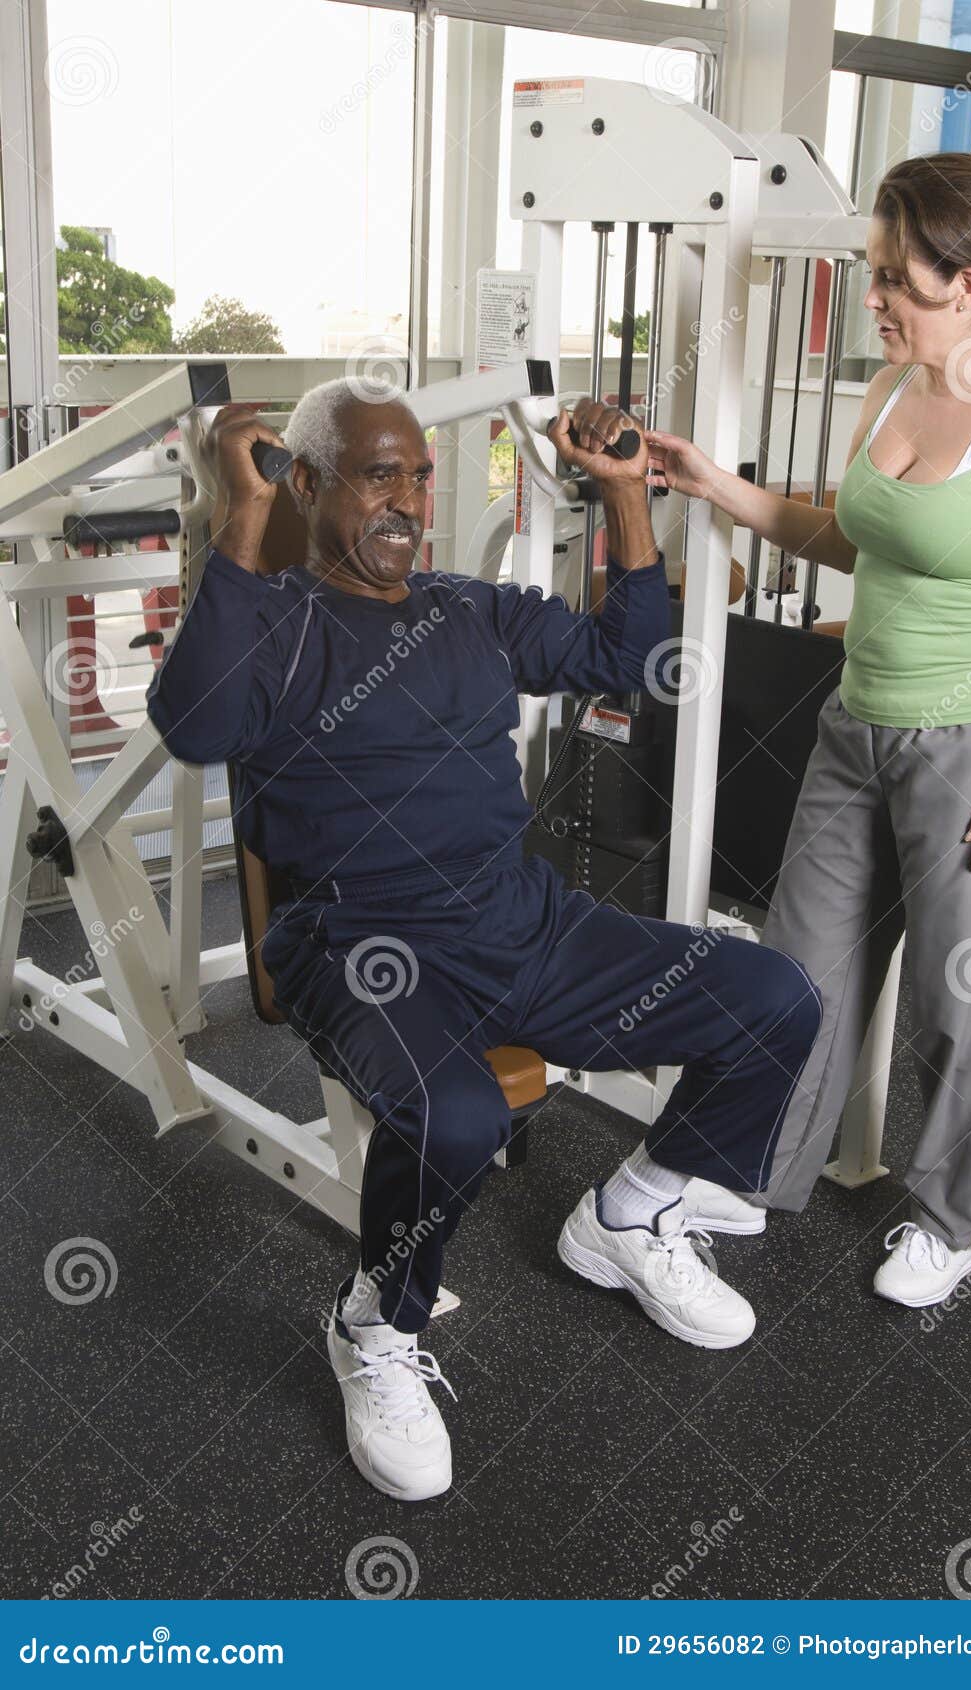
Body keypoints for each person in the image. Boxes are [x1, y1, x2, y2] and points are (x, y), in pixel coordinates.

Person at [146, 382, 821, 1503]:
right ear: (306, 482)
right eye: (379, 475)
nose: (409, 502)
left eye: (420, 477)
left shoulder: (465, 608)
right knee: (457, 1111)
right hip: (359, 941)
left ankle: (633, 1211)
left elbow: (625, 658)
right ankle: (375, 1323)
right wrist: (241, 510)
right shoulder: (268, 622)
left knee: (771, 997)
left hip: (521, 919)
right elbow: (195, 724)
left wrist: (623, 494)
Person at [648, 153, 971, 1312]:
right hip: (854, 726)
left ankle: (952, 1220)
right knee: (799, 975)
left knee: (954, 999)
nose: (869, 296)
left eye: (891, 277)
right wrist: (714, 485)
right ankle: (761, 1173)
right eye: (872, 271)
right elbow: (850, 537)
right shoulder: (887, 391)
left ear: (965, 285)